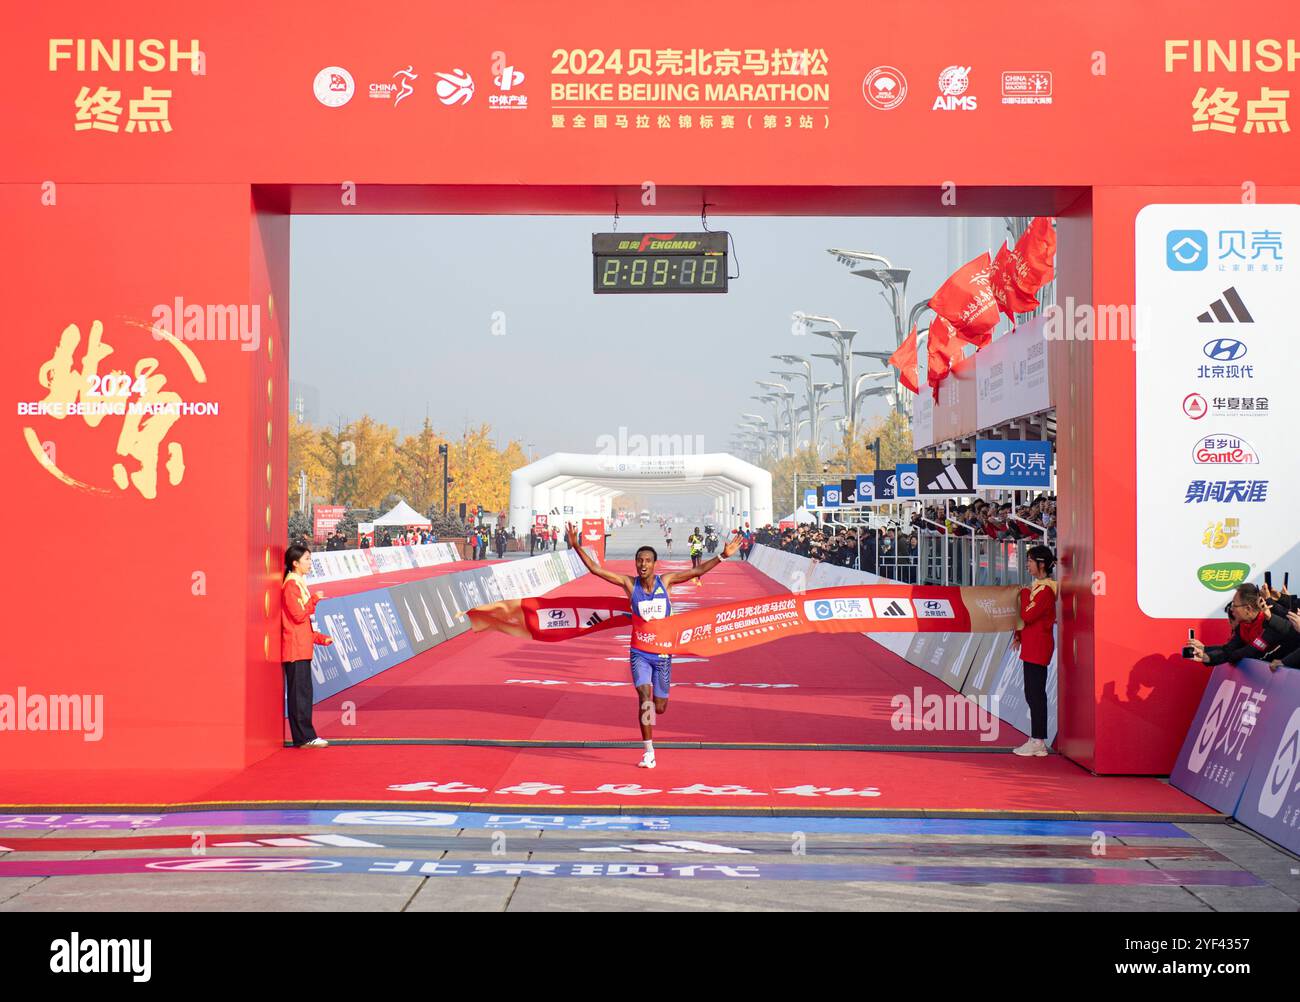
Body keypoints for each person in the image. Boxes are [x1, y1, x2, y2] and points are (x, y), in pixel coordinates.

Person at [565, 522, 741, 768]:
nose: (643, 564)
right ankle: (648, 751)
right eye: (639, 560)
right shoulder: (629, 584)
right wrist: (575, 546)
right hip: (639, 652)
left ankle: (655, 720)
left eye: (647, 560)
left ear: (654, 563)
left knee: (660, 707)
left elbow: (696, 571)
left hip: (663, 654)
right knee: (644, 698)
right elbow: (596, 570)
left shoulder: (666, 582)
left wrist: (722, 556)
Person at [281, 543, 334, 748]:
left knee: (304, 693)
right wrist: (314, 600)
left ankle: (305, 736)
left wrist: (319, 638)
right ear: (295, 563)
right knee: (299, 695)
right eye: (306, 560)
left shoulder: (299, 583)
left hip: (302, 646)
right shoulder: (291, 586)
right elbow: (298, 615)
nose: (310, 564)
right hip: (295, 649)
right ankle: (304, 737)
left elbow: (303, 623)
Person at [1010, 544, 1057, 757]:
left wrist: (1024, 594)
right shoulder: (1038, 588)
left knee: (1035, 694)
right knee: (1033, 693)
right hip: (1032, 645)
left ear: (1041, 564)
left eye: (1030, 561)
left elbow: (1028, 616)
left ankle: (1038, 740)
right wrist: (1018, 635)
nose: (1027, 565)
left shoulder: (1045, 590)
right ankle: (1037, 739)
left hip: (1039, 646)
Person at [1189, 583, 1298, 669]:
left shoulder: (1269, 623)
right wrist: (1206, 655)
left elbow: (1249, 651)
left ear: (1248, 609)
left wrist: (1209, 656)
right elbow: (1229, 649)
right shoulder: (1242, 625)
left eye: (1235, 605)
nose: (1232, 609)